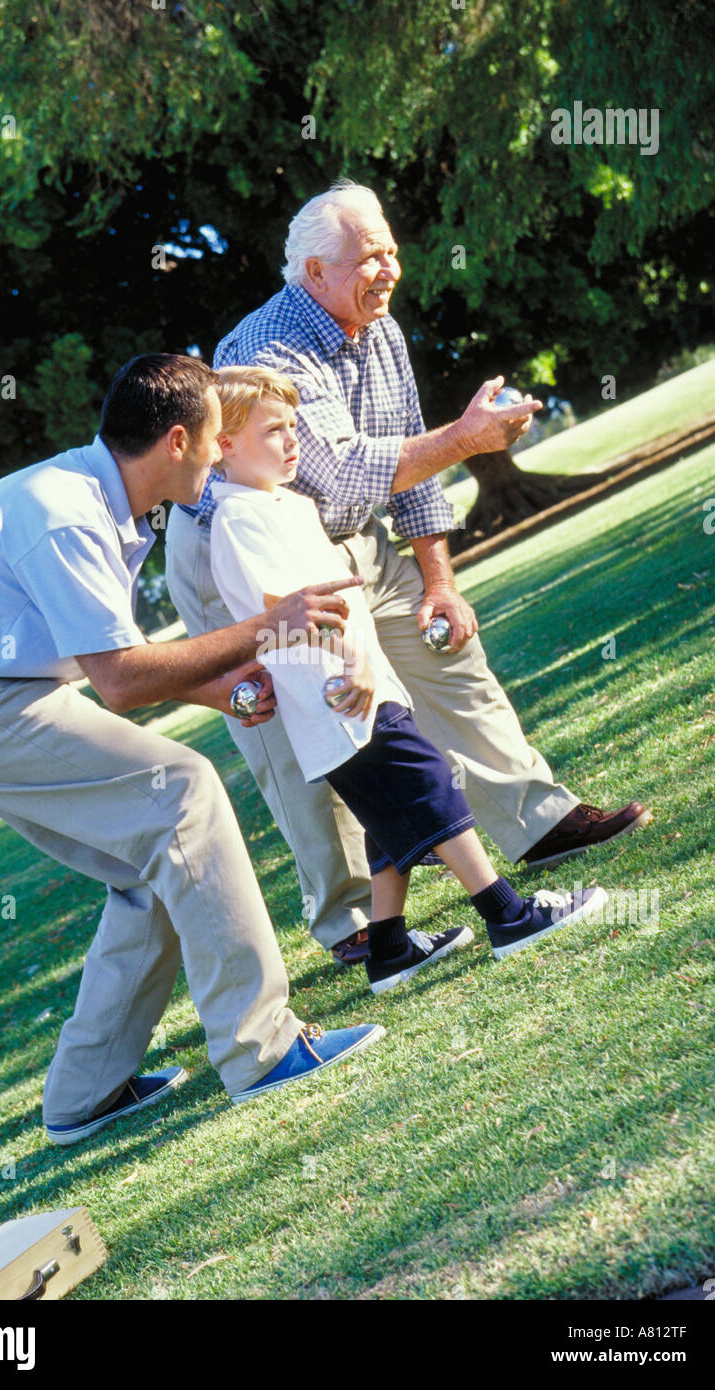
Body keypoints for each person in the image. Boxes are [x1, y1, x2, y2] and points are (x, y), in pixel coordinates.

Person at [0, 353, 386, 1146]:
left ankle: (83, 1093)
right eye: (219, 439)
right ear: (179, 440)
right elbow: (118, 681)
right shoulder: (67, 513)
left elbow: (106, 653)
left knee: (153, 868)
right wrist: (266, 626)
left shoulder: (102, 504)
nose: (226, 454)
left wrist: (213, 686)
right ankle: (264, 1048)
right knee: (184, 790)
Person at [165, 181, 649, 967]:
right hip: (248, 553)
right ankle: (355, 919)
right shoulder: (267, 347)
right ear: (316, 272)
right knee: (305, 736)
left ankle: (537, 820)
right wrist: (465, 438)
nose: (388, 266)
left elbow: (404, 455)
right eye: (369, 256)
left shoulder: (376, 326)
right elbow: (342, 471)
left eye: (391, 249)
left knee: (444, 663)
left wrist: (439, 580)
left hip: (342, 539)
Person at [207, 365, 607, 990]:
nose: (292, 444)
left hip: (363, 687)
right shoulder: (239, 520)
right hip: (339, 696)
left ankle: (389, 950)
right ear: (223, 446)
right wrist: (356, 666)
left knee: (388, 819)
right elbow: (291, 611)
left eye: (294, 428)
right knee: (430, 789)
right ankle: (509, 916)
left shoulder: (282, 503)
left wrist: (371, 666)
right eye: (273, 432)